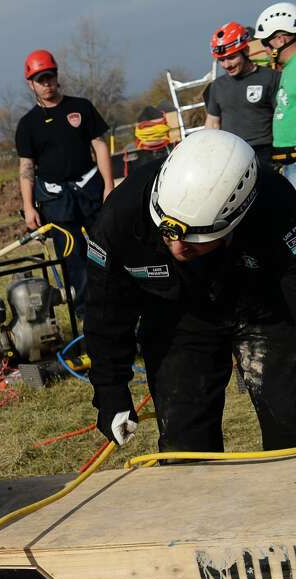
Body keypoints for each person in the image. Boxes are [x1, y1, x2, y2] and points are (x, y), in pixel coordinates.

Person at [85, 129, 296, 453]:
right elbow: (105, 310)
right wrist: (110, 390)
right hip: (178, 315)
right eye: (168, 234)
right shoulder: (120, 219)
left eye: (195, 240)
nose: (177, 246)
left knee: (289, 420)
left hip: (262, 304)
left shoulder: (278, 204)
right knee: (185, 445)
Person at [15, 49, 114, 318]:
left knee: (106, 247)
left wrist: (109, 186)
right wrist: (28, 207)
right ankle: (86, 315)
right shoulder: (28, 124)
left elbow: (99, 146)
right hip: (57, 202)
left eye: (50, 77)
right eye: (40, 80)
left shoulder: (81, 107)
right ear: (31, 84)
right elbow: (26, 167)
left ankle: (118, 303)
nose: (47, 84)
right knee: (73, 258)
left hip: (91, 191)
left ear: (57, 76)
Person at [205, 21, 281, 162]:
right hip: (231, 156)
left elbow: (282, 115)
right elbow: (212, 123)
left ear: (246, 51)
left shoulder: (270, 77)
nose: (226, 65)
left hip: (266, 153)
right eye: (221, 60)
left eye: (232, 57)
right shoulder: (217, 86)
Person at [258, 2, 296, 183]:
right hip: (289, 162)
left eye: (265, 43)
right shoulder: (287, 68)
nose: (265, 50)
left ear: (280, 40)